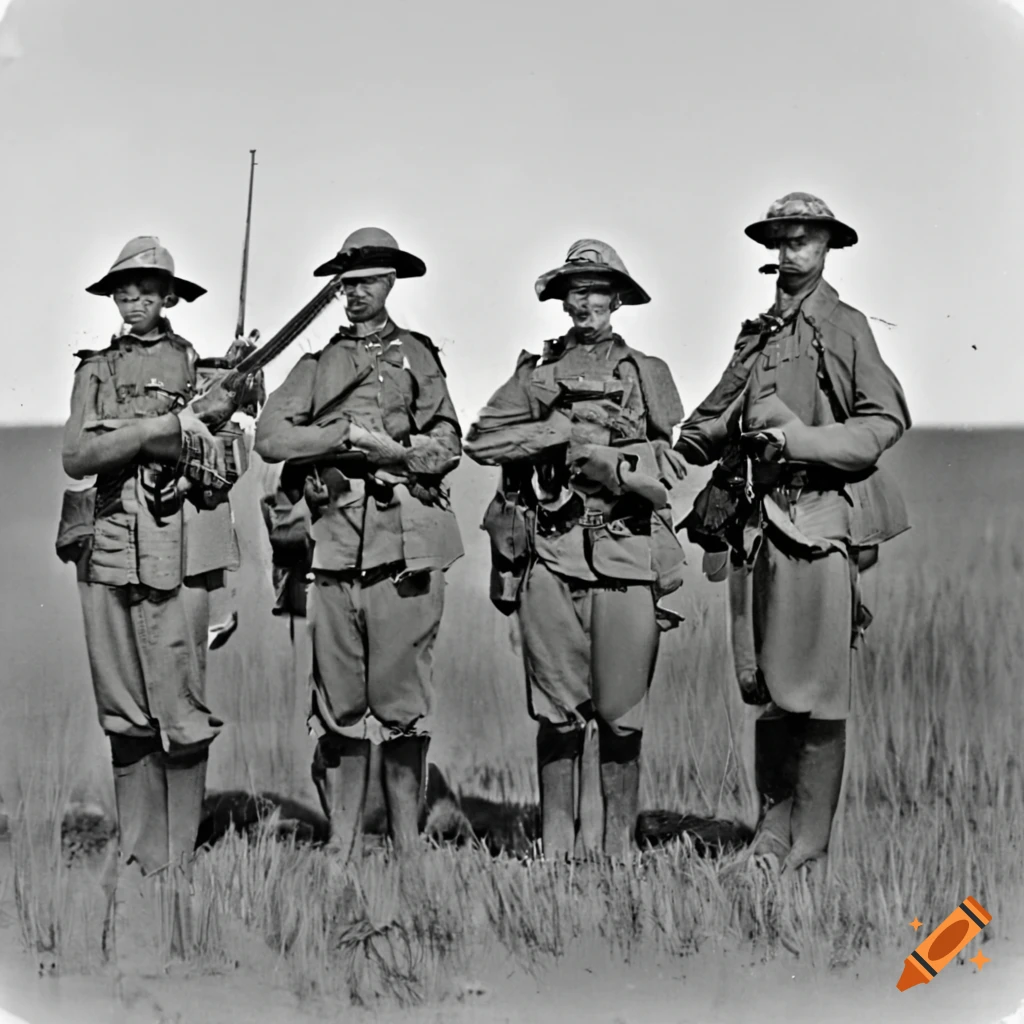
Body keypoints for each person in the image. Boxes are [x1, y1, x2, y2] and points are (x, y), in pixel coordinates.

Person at [674, 193, 911, 875]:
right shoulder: (762, 332)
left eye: (801, 240)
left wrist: (799, 440)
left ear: (827, 246)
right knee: (770, 686)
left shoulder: (842, 326)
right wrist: (666, 450)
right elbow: (713, 420)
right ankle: (771, 836)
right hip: (757, 528)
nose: (787, 253)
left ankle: (810, 844)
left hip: (815, 524)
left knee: (817, 691)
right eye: (780, 241)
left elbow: (883, 421)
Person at [463, 239, 688, 862]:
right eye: (574, 288)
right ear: (561, 299)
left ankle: (617, 848)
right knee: (557, 712)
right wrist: (551, 436)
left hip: (624, 553)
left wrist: (608, 462)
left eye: (596, 288)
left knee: (621, 715)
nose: (584, 300)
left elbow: (676, 459)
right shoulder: (535, 374)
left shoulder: (647, 372)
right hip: (551, 556)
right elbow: (481, 442)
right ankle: (556, 848)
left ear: (618, 298)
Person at [57, 236, 249, 957]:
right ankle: (140, 856)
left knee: (181, 707)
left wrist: (198, 424)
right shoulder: (95, 370)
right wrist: (162, 430)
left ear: (170, 296)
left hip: (179, 552)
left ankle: (179, 855)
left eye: (147, 290)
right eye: (124, 291)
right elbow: (77, 454)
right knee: (124, 708)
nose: (134, 302)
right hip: (109, 549)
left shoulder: (204, 370)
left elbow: (223, 466)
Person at [254, 227, 463, 864]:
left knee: (402, 704)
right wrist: (342, 432)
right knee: (338, 704)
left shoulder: (418, 357)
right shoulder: (318, 364)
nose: (355, 294)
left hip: (405, 546)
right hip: (334, 544)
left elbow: (448, 442)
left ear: (391, 282)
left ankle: (406, 844)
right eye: (347, 284)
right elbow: (271, 437)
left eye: (368, 281)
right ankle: (341, 841)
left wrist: (398, 452)